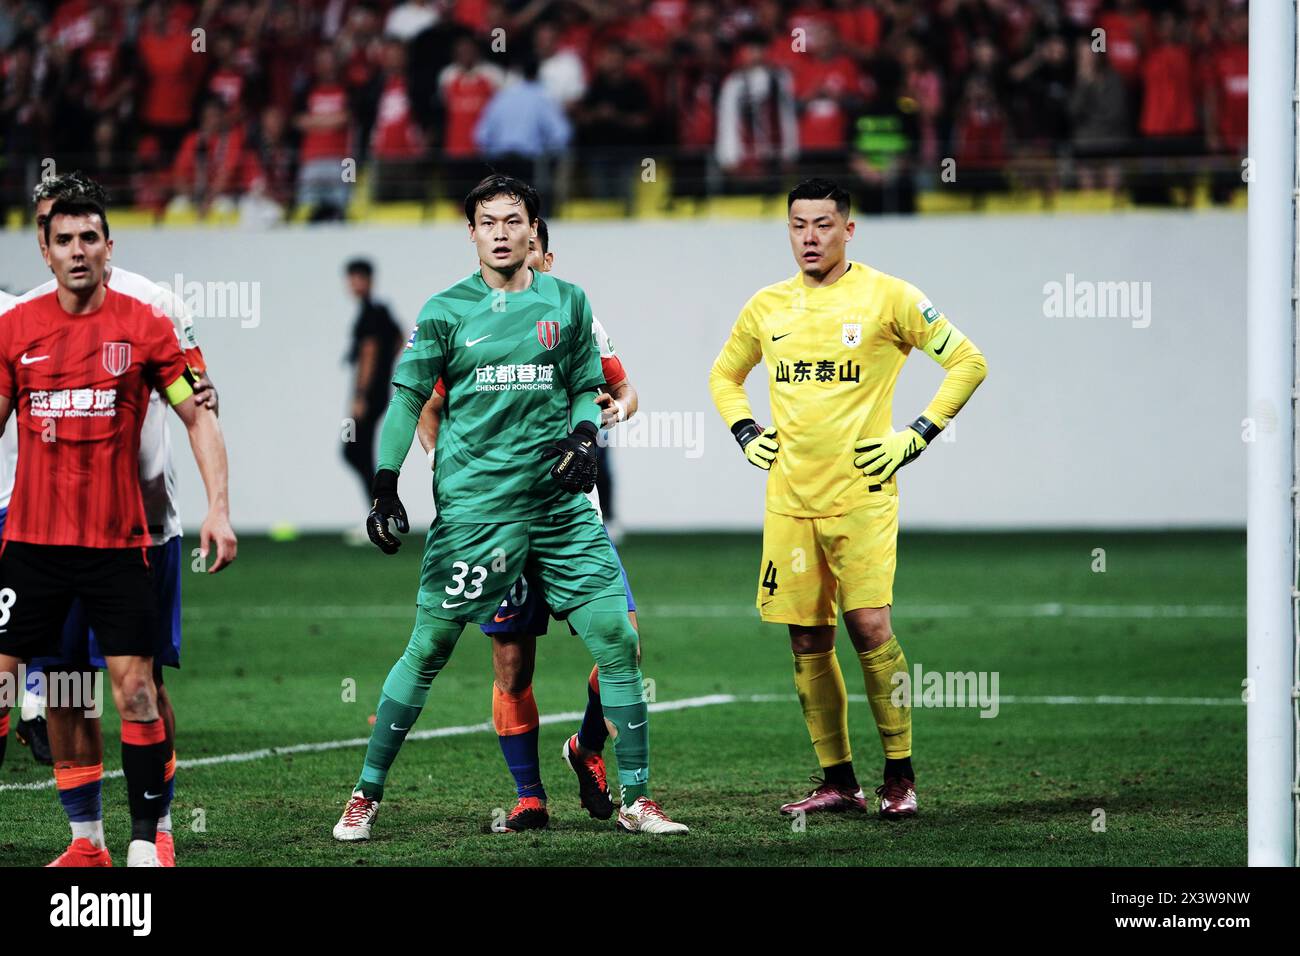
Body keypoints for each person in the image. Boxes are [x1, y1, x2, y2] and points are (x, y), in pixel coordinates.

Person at [332, 174, 685, 839]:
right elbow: (408, 400)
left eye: (511, 220)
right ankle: (366, 792)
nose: (499, 232)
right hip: (478, 520)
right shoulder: (443, 313)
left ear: (533, 231)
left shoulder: (570, 303)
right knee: (431, 646)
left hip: (560, 512)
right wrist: (385, 483)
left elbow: (589, 386)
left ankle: (637, 799)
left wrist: (585, 432)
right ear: (472, 234)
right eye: (486, 222)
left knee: (619, 637)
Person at [708, 178, 987, 820]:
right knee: (807, 638)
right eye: (799, 225)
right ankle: (839, 782)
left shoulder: (890, 297)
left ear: (848, 230)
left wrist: (917, 435)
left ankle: (900, 775)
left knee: (869, 627)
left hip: (861, 495)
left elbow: (968, 361)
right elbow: (725, 375)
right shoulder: (766, 307)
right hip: (789, 501)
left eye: (824, 225)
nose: (810, 237)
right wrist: (745, 431)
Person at [0, 195, 236, 867]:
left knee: (136, 690)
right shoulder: (15, 329)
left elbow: (198, 414)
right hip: (33, 549)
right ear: (44, 250)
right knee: (36, 689)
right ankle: (87, 843)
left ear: (110, 246)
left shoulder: (146, 326)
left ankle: (145, 840)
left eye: (90, 238)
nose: (79, 250)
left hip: (118, 547)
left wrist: (218, 506)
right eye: (65, 239)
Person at [415, 217, 640, 831]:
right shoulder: (469, 323)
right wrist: (449, 473)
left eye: (531, 247)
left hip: (572, 519)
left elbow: (624, 390)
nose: (520, 257)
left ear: (545, 253)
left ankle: (587, 749)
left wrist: (607, 417)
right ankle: (529, 797)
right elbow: (428, 405)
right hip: (500, 524)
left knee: (626, 642)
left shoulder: (576, 320)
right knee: (512, 664)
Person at [341, 258, 404, 522]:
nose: (353, 284)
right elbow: (400, 338)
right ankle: (378, 511)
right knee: (358, 451)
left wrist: (361, 395)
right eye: (351, 278)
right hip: (377, 393)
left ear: (368, 280)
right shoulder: (380, 311)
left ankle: (378, 513)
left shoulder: (371, 313)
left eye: (358, 278)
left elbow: (369, 353)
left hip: (368, 396)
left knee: (353, 449)